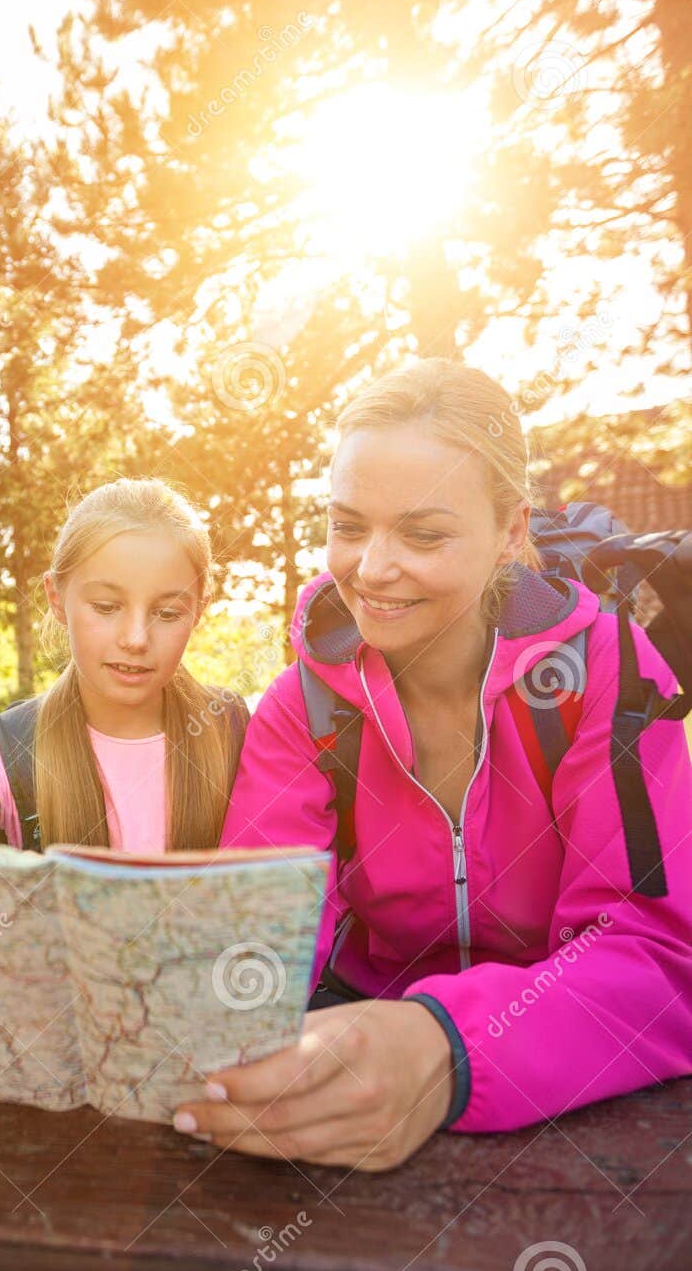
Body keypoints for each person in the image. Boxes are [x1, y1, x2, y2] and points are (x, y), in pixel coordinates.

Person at [172, 359, 692, 1169]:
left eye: (423, 534)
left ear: (512, 532)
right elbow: (257, 924)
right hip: (351, 1050)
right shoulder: (304, 704)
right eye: (349, 526)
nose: (372, 569)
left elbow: (653, 956)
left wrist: (446, 1046)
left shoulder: (608, 676)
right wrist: (229, 1026)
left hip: (570, 1095)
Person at [0, 477, 247, 1095]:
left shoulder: (238, 734)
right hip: (58, 1089)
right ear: (56, 596)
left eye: (168, 612)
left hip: (207, 1084)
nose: (136, 638)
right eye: (106, 606)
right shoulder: (3, 754)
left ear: (200, 608)